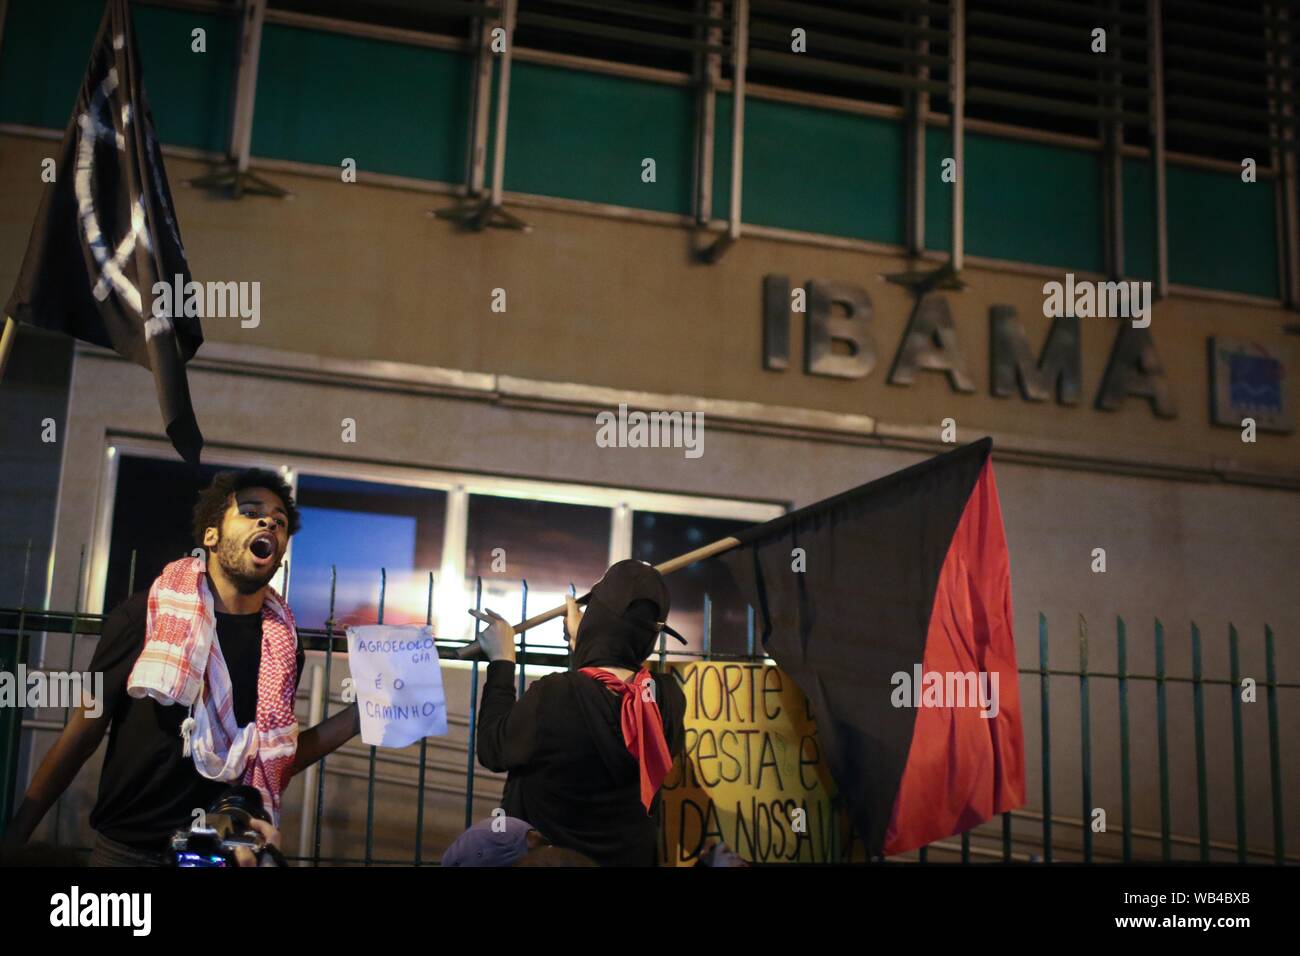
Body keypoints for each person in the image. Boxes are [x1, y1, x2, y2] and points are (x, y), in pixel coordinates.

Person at [3, 468, 362, 866]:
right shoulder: (145, 616)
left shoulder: (281, 645)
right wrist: (17, 836)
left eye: (278, 521)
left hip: (217, 854)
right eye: (251, 511)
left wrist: (359, 716)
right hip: (126, 853)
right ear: (211, 535)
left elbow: (273, 757)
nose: (268, 522)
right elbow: (82, 732)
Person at [470, 559, 687, 867]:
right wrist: (585, 645)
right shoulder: (666, 700)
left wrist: (502, 662)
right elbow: (603, 694)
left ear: (596, 619)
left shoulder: (555, 695)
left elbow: (492, 749)